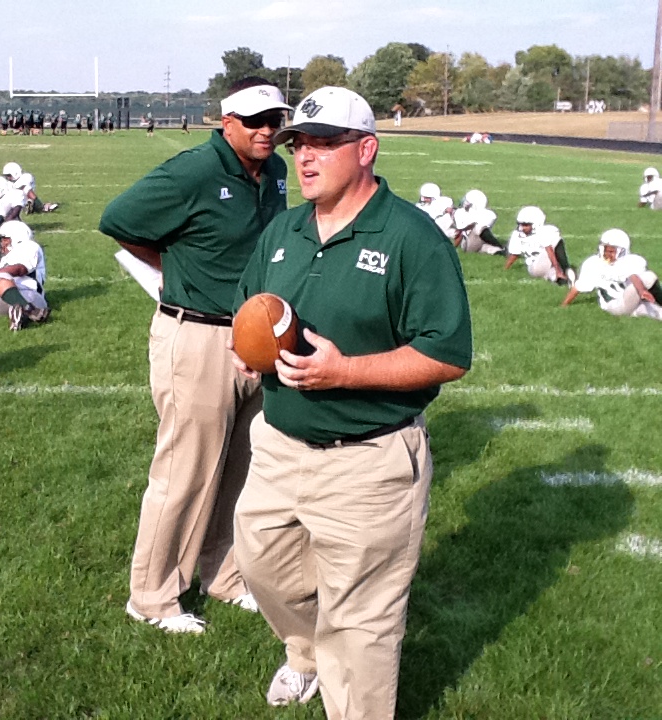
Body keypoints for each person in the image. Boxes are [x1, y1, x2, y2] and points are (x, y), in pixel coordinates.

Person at [229, 86, 472, 719]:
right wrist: (247, 346)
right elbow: (250, 307)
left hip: (368, 460)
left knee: (362, 623)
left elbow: (447, 354)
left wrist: (345, 371)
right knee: (264, 570)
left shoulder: (411, 238)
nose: (305, 158)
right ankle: (306, 653)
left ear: (366, 149)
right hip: (278, 446)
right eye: (299, 144)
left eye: (324, 144)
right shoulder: (283, 228)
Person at [98, 76, 293, 633]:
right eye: (253, 121)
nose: (266, 130)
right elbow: (118, 221)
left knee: (243, 468)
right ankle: (152, 596)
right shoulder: (194, 170)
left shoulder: (275, 172)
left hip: (253, 339)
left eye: (274, 119)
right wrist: (174, 268)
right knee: (185, 473)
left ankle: (225, 575)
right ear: (225, 122)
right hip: (199, 336)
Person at [561, 228, 662, 320]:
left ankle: (638, 311)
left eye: (612, 251)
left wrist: (642, 292)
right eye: (605, 249)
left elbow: (635, 277)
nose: (607, 254)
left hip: (633, 301)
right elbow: (579, 287)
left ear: (623, 251)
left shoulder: (632, 261)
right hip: (614, 305)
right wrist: (563, 306)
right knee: (649, 276)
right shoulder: (593, 263)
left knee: (658, 313)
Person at [0, 220, 50, 330]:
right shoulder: (6, 256)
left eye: (4, 239)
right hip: (4, 298)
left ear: (16, 237)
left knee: (0, 277)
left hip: (30, 294)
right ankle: (23, 310)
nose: (2, 243)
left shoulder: (29, 246)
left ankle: (28, 310)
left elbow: (21, 268)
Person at [504, 205, 575, 285]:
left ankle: (564, 281)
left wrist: (505, 269)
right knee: (556, 240)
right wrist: (559, 270)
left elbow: (515, 254)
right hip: (535, 266)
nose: (522, 228)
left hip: (538, 267)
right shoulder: (545, 231)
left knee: (553, 275)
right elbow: (549, 251)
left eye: (525, 225)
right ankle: (566, 269)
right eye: (521, 224)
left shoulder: (519, 233)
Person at [453, 189, 505, 255]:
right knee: (479, 227)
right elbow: (460, 233)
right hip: (468, 243)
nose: (465, 202)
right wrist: (453, 248)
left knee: (487, 248)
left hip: (478, 243)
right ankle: (500, 246)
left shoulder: (488, 214)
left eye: (467, 201)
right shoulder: (460, 212)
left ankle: (501, 251)